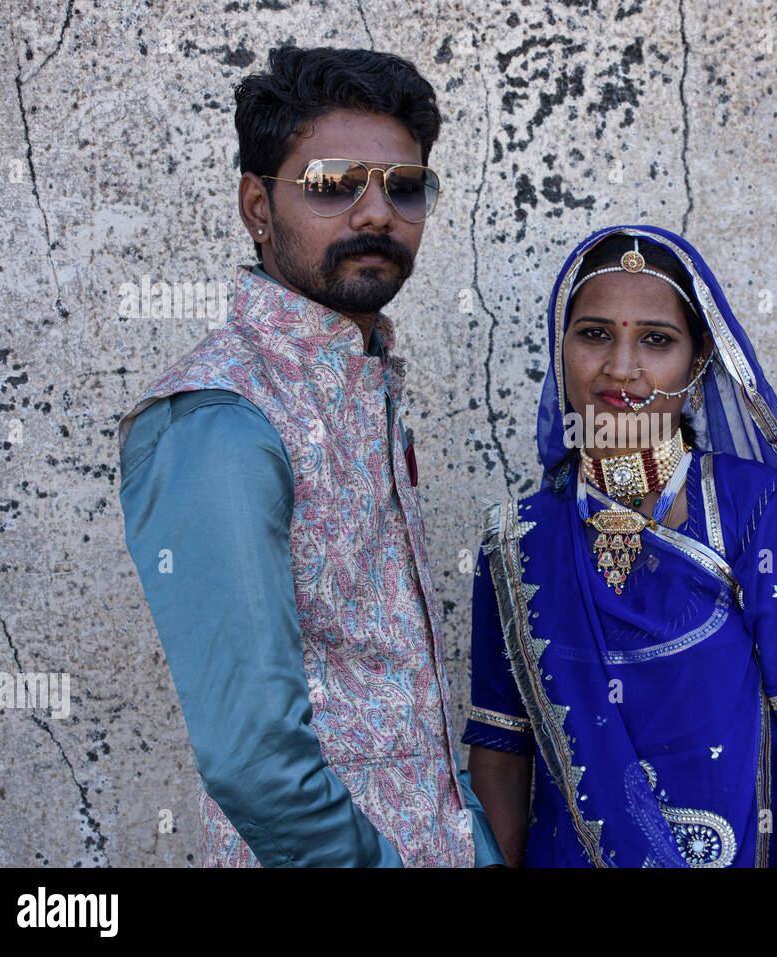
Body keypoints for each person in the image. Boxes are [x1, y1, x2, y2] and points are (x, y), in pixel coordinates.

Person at [116, 45, 502, 867]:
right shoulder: (220, 419)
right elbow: (256, 760)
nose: (376, 213)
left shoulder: (365, 389)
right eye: (334, 183)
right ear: (258, 205)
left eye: (405, 186)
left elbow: (405, 691)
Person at [463, 225, 777, 867]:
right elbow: (501, 752)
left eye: (656, 340)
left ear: (697, 359)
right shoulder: (516, 543)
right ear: (560, 351)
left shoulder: (757, 511)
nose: (621, 367)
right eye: (594, 335)